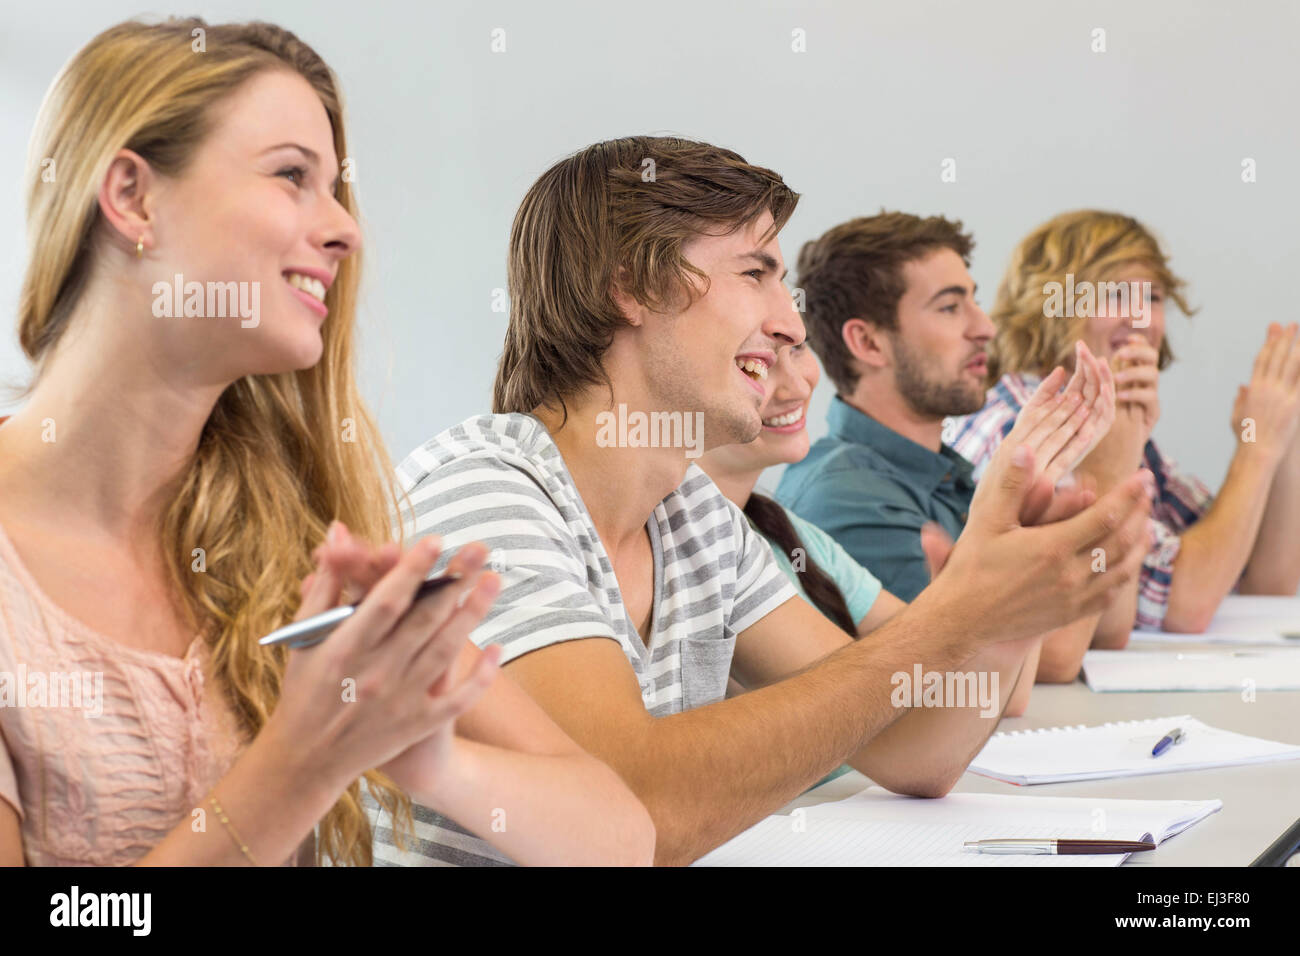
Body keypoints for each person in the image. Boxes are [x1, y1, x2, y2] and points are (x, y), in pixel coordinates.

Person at [379, 136, 1153, 866]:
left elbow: (918, 752)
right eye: (755, 274)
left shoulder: (690, 513)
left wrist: (1001, 607)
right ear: (630, 288)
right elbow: (639, 808)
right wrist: (956, 614)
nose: (788, 324)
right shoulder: (483, 488)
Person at [0, 17, 654, 867]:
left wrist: (430, 756)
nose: (346, 228)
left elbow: (620, 838)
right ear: (132, 196)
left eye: (336, 188)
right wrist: (303, 762)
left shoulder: (289, 532)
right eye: (291, 177)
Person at [777, 211, 1116, 682]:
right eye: (950, 307)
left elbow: (1096, 632)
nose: (985, 328)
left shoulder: (942, 474)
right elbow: (989, 682)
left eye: (973, 301)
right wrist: (1076, 483)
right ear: (868, 342)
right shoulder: (849, 497)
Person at [951, 209, 1300, 636]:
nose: (1139, 319)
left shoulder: (1121, 426)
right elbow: (1187, 603)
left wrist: (1285, 432)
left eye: (1151, 298)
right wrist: (1257, 450)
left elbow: (1261, 581)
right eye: (1114, 295)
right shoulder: (1020, 425)